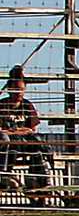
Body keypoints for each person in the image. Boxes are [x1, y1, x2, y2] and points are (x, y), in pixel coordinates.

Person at [0, 67, 52, 200]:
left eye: (22, 90)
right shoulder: (2, 105)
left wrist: (15, 131)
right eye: (17, 89)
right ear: (10, 89)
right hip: (9, 143)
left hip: (23, 140)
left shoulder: (27, 105)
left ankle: (39, 179)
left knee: (38, 143)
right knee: (6, 139)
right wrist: (17, 131)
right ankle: (4, 174)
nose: (20, 93)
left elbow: (31, 129)